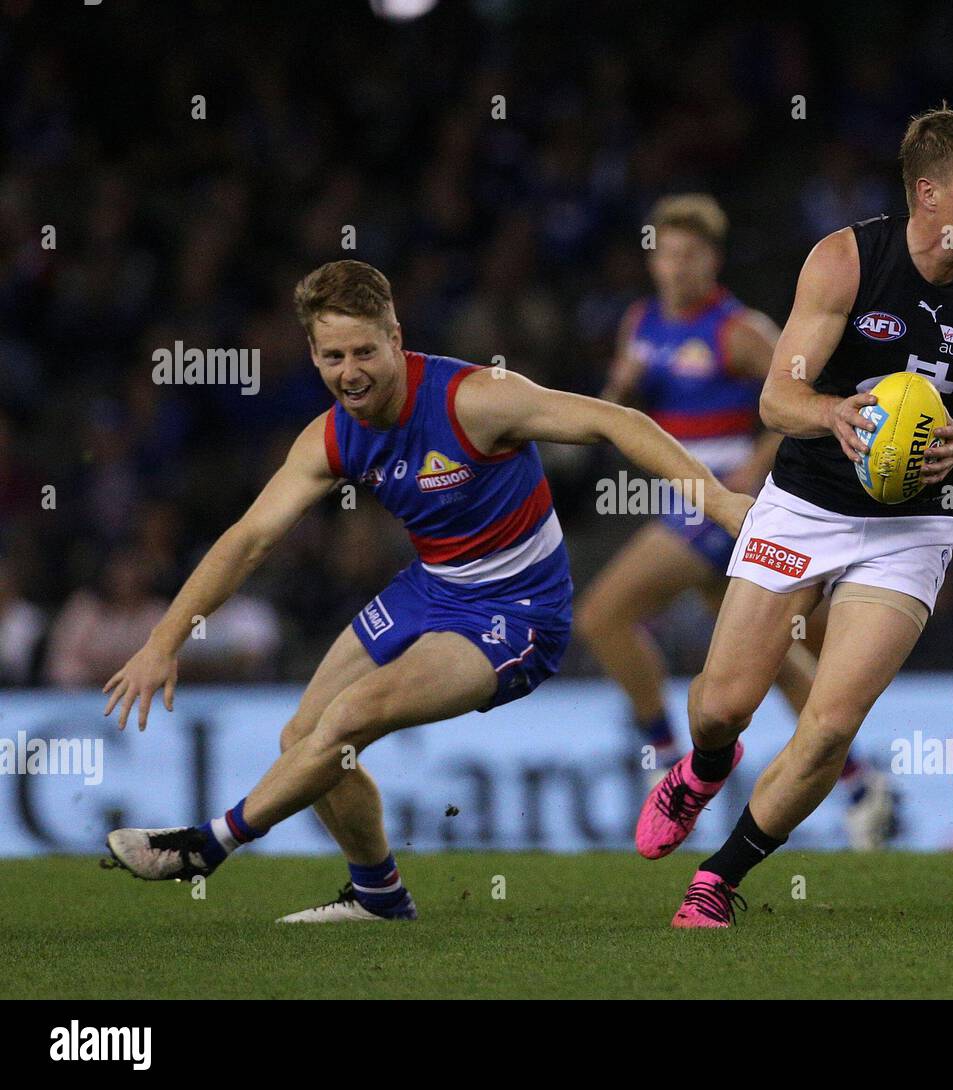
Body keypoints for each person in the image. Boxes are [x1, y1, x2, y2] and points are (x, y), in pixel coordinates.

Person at [101, 259, 752, 923]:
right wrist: (164, 640)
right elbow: (250, 538)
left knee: (351, 717)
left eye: (363, 352)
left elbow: (619, 422)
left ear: (395, 338)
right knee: (304, 735)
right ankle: (379, 895)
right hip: (430, 587)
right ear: (313, 354)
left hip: (517, 612)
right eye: (332, 356)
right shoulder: (331, 435)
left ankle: (206, 846)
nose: (349, 372)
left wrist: (721, 503)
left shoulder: (473, 398)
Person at [635, 107, 953, 926]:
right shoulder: (846, 259)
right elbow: (777, 396)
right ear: (929, 194)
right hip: (804, 506)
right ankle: (704, 769)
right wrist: (832, 416)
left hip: (913, 530)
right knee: (721, 705)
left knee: (828, 725)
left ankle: (719, 880)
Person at [574, 194, 819, 766]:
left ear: (713, 259)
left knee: (602, 615)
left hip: (724, 504)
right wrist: (621, 386)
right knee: (767, 655)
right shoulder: (641, 324)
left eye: (688, 254)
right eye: (665, 254)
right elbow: (611, 418)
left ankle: (662, 757)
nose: (675, 266)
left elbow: (804, 400)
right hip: (678, 495)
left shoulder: (739, 330)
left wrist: (754, 468)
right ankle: (860, 781)